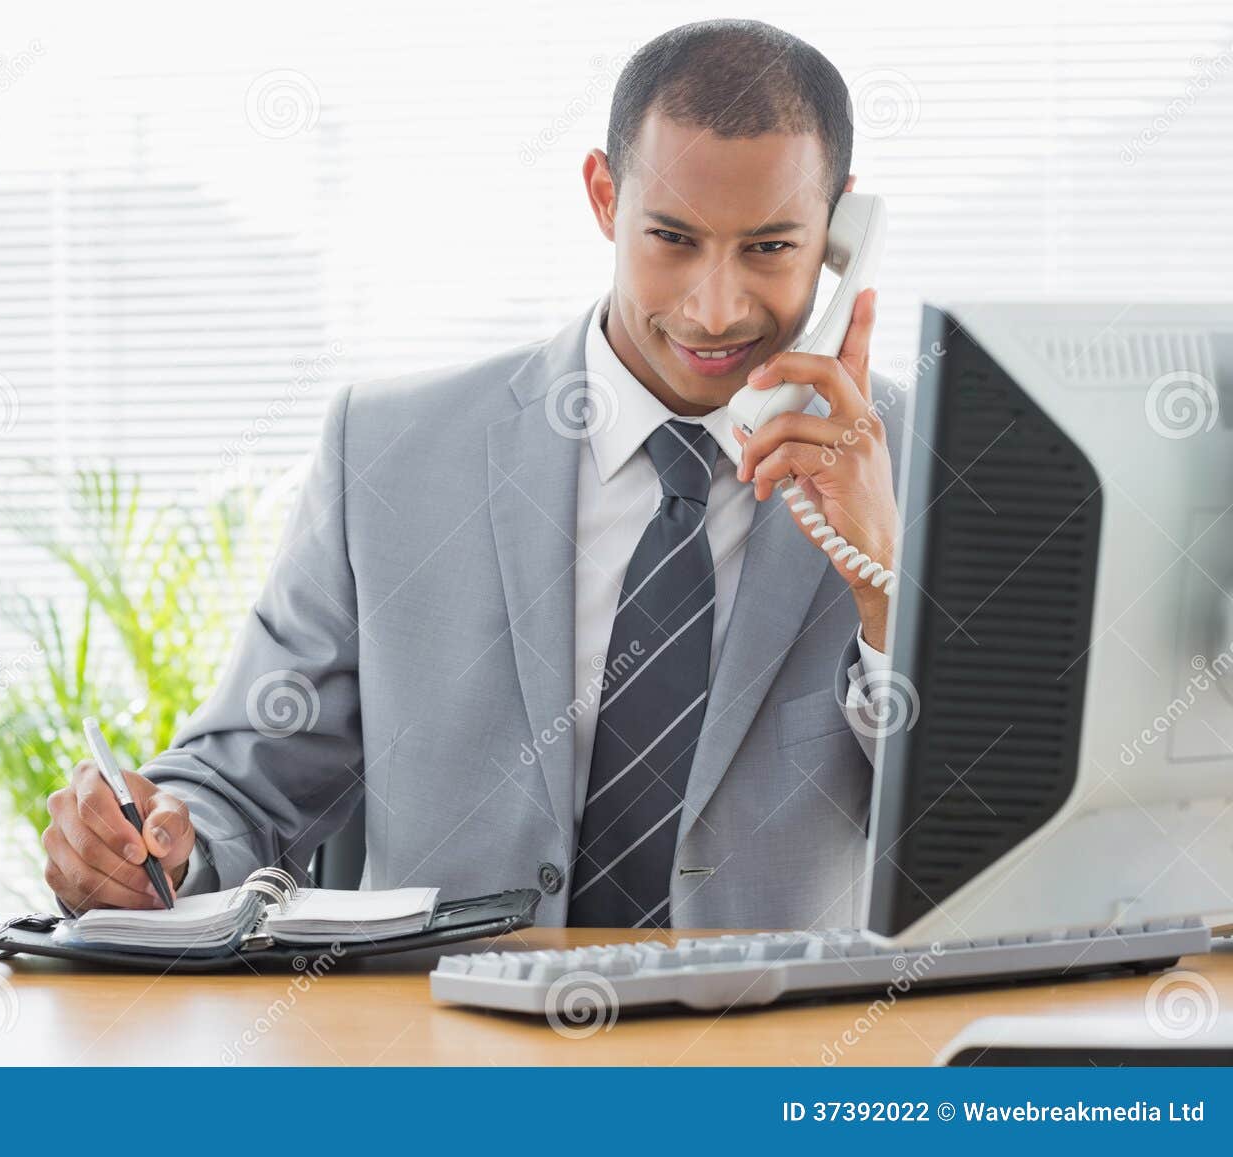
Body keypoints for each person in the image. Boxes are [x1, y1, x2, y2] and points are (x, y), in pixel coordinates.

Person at [44, 18, 906, 929]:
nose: (716, 306)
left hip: (775, 1059)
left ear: (842, 231)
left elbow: (998, 840)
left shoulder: (924, 459)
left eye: (770, 247)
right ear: (605, 199)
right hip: (450, 1049)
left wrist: (885, 593)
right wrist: (152, 848)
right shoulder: (388, 453)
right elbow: (245, 786)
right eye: (673, 238)